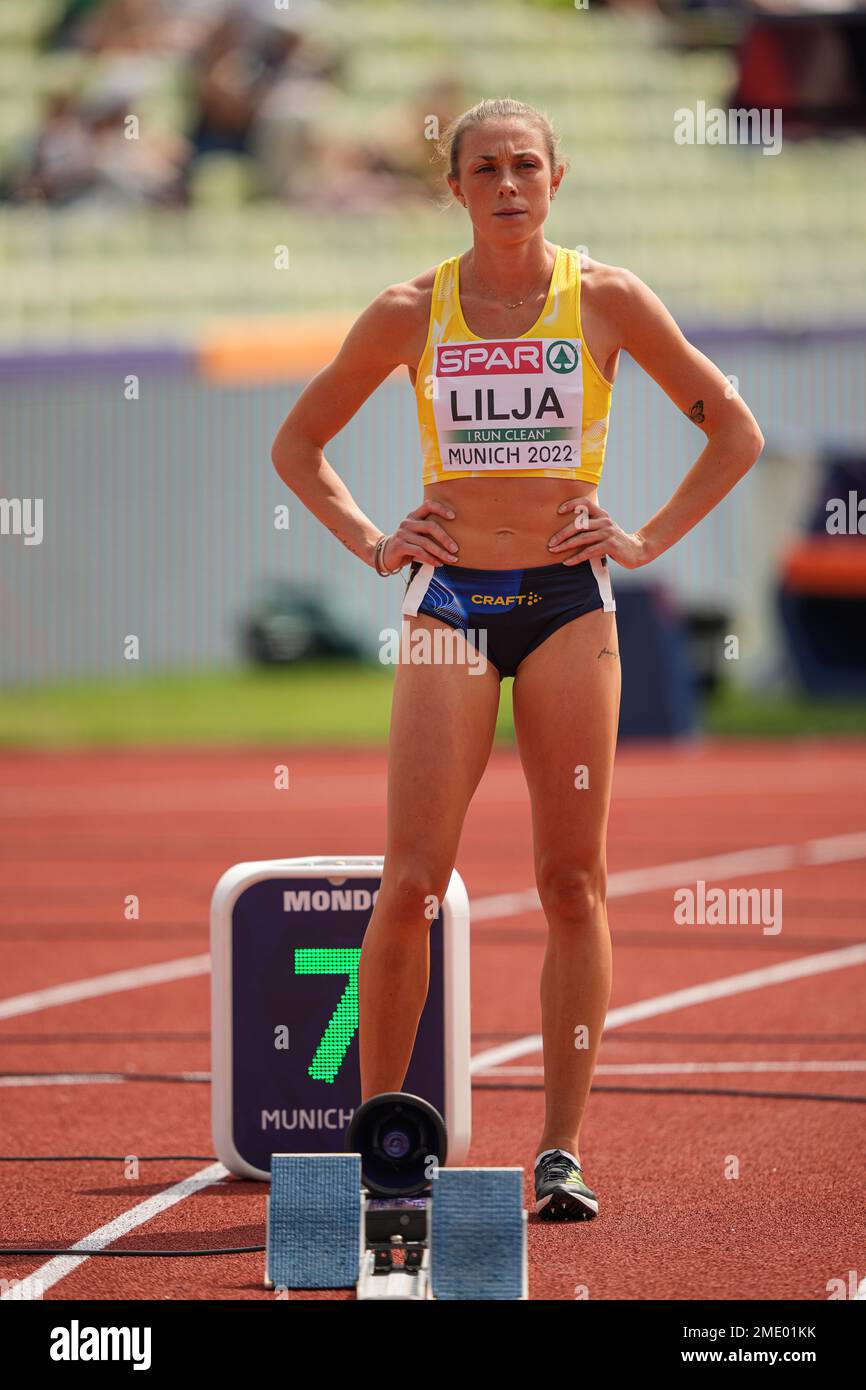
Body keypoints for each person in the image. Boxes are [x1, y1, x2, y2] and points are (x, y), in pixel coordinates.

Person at [271, 97, 764, 1221]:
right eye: (483, 167)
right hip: (448, 601)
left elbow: (732, 430)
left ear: (556, 179)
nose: (505, 183)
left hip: (564, 606)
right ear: (453, 188)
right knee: (408, 881)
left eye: (524, 165)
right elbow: (297, 444)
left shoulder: (604, 298)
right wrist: (373, 540)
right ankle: (384, 1139)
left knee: (570, 880)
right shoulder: (409, 312)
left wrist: (641, 537)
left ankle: (559, 1150)